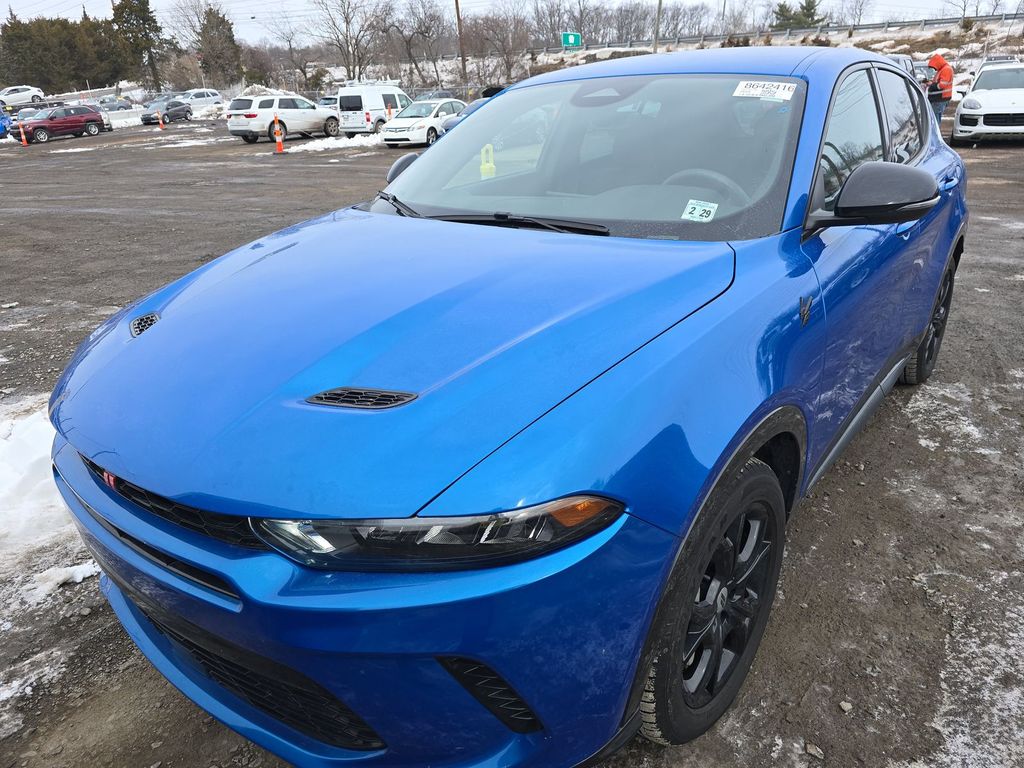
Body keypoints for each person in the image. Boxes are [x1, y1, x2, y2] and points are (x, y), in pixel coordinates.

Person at [927, 53, 954, 125]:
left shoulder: (946, 69)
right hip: (938, 99)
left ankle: (935, 135)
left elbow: (942, 85)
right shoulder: (943, 69)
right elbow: (939, 82)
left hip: (940, 99)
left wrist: (932, 86)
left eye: (934, 67)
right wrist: (931, 83)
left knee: (935, 121)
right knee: (935, 119)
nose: (934, 69)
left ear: (937, 63)